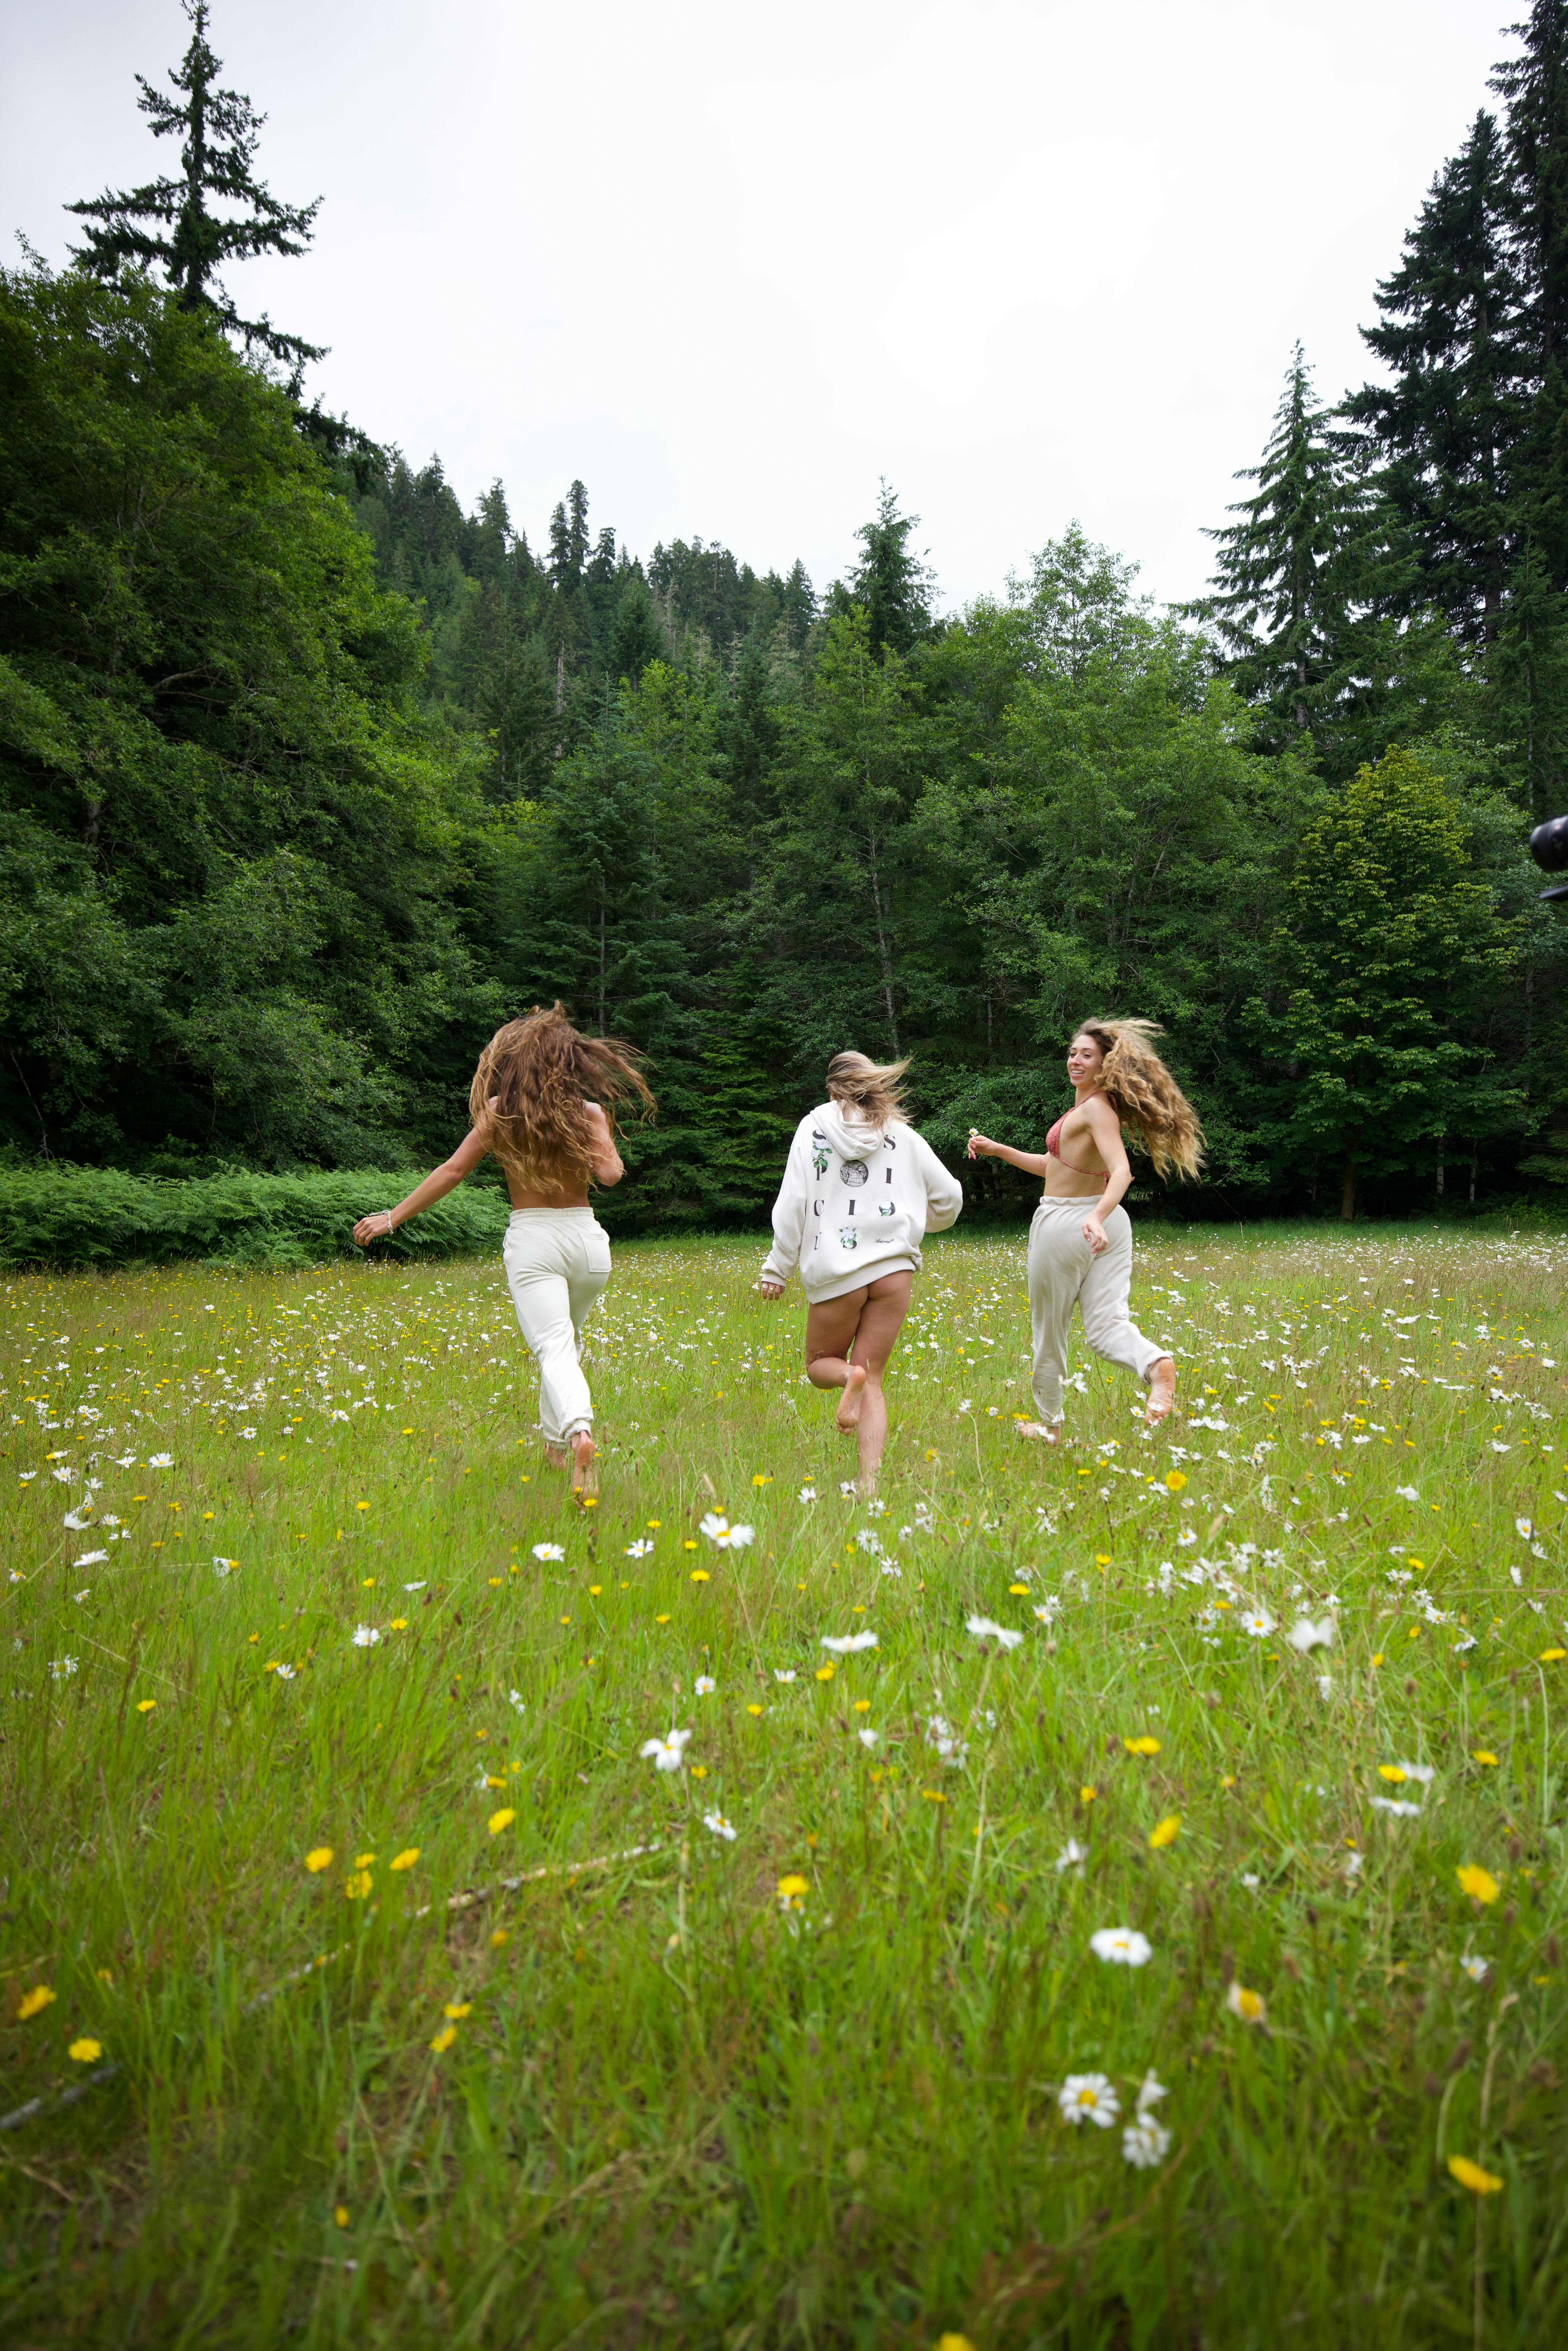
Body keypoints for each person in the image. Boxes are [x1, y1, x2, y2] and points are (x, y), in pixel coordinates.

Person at [351, 1004, 652, 1492]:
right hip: (589, 1242)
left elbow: (452, 1171)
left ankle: (579, 1432)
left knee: (554, 1348)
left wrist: (393, 1218)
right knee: (566, 1346)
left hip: (534, 1239)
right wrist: (605, 1139)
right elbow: (612, 1176)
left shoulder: (500, 1112)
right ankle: (557, 1449)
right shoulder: (590, 1112)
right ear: (566, 1062)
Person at [967, 1019, 1202, 1442]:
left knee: (1049, 1331)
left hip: (1070, 1222)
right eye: (1073, 1053)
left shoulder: (1095, 1108)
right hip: (1107, 1222)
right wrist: (997, 1149)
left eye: (1087, 1055)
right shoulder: (1088, 1111)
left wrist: (1093, 1216)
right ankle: (1155, 1365)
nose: (1076, 1060)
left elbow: (1122, 1172)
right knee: (1107, 1324)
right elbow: (1050, 1167)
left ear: (1105, 1065)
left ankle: (1050, 1425)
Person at [760, 1051, 962, 1491]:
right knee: (873, 1376)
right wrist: (915, 1222)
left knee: (818, 1366)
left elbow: (794, 1201)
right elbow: (950, 1196)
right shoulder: (901, 1133)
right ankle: (869, 1484)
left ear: (832, 1089)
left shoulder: (814, 1127)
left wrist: (777, 1268)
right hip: (895, 1271)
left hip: (838, 1271)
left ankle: (847, 1377)